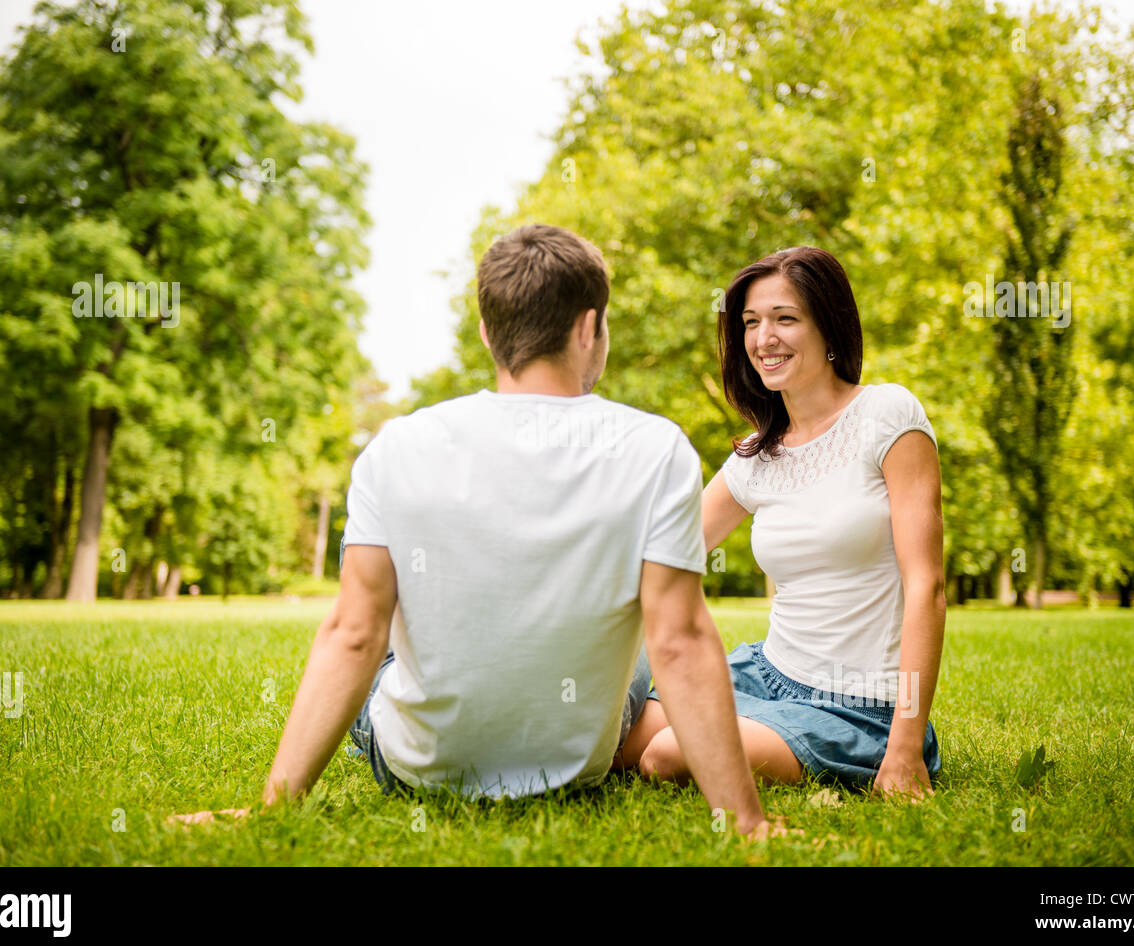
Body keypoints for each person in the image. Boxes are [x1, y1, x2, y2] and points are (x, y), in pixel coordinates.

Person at [172, 224, 778, 837]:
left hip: (416, 770)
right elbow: (680, 642)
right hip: (574, 771)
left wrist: (271, 809)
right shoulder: (656, 448)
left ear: (489, 332)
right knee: (646, 646)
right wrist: (746, 821)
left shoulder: (397, 445)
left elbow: (352, 636)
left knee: (378, 636)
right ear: (589, 327)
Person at [629, 246, 946, 799]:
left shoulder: (887, 416)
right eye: (751, 322)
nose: (763, 338)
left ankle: (839, 744)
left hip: (859, 706)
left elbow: (927, 586)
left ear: (829, 328)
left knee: (665, 756)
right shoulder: (758, 455)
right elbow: (664, 552)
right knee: (613, 737)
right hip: (766, 676)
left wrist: (904, 747)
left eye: (785, 319)